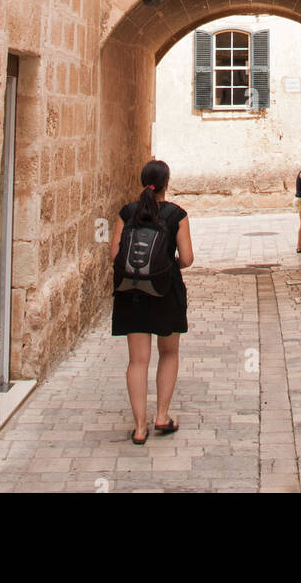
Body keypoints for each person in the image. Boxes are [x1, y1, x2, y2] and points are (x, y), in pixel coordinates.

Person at [109, 158, 194, 445]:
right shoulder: (176, 215)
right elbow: (187, 259)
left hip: (131, 292)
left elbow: (114, 256)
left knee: (137, 360)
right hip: (165, 291)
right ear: (166, 184)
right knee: (168, 353)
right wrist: (165, 267)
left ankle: (138, 428)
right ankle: (162, 415)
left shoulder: (126, 212)